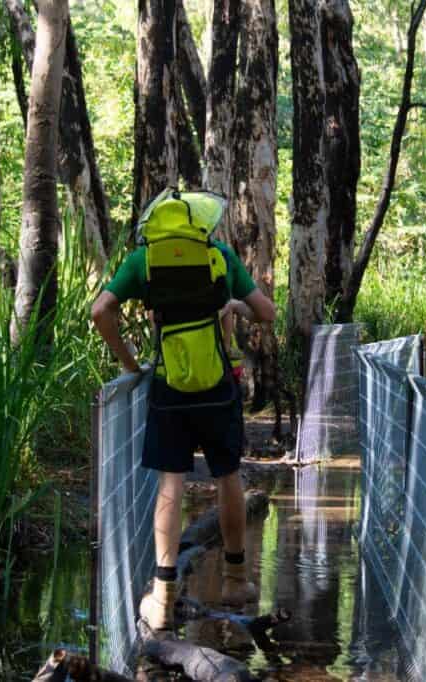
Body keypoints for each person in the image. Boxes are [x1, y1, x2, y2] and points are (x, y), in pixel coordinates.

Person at [90, 189, 276, 631]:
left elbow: (100, 311)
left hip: (168, 387)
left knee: (170, 482)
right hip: (217, 390)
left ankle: (164, 593)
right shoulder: (220, 256)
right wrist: (233, 305)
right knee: (227, 477)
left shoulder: (143, 262)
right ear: (199, 226)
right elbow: (266, 312)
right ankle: (234, 579)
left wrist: (131, 363)